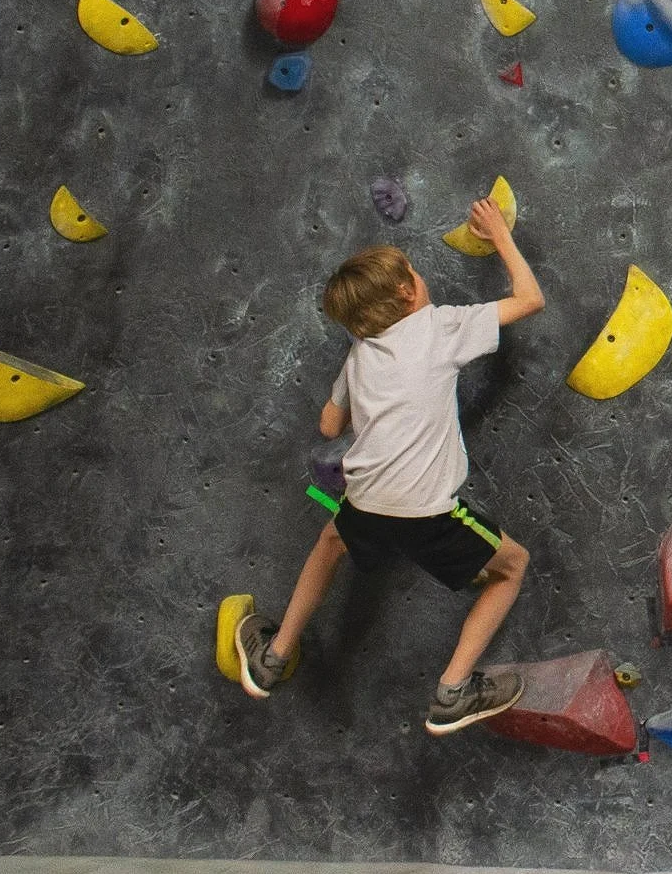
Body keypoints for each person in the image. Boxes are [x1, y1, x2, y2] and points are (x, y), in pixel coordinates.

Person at [230, 198, 546, 733]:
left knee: (331, 541)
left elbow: (330, 428)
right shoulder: (440, 327)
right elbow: (530, 299)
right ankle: (453, 692)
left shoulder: (358, 356)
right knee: (513, 566)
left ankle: (273, 657)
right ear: (407, 292)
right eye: (415, 274)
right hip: (425, 512)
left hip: (365, 500)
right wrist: (497, 235)